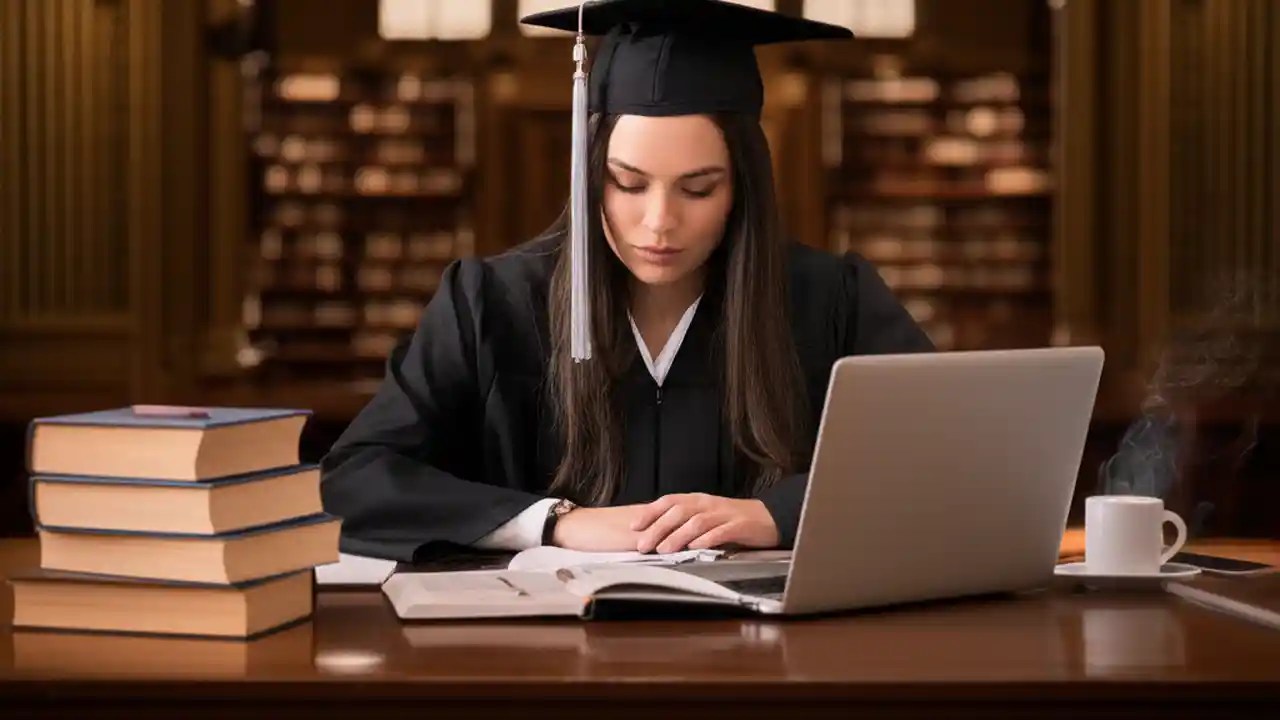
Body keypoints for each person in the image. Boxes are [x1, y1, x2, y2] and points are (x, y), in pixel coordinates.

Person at [320, 0, 934, 562]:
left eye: (699, 188)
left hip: (769, 653)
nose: (659, 222)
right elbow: (356, 477)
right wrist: (554, 522)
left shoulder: (831, 299)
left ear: (742, 188)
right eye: (628, 183)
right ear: (590, 174)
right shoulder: (491, 303)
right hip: (544, 655)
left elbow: (946, 454)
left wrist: (778, 514)